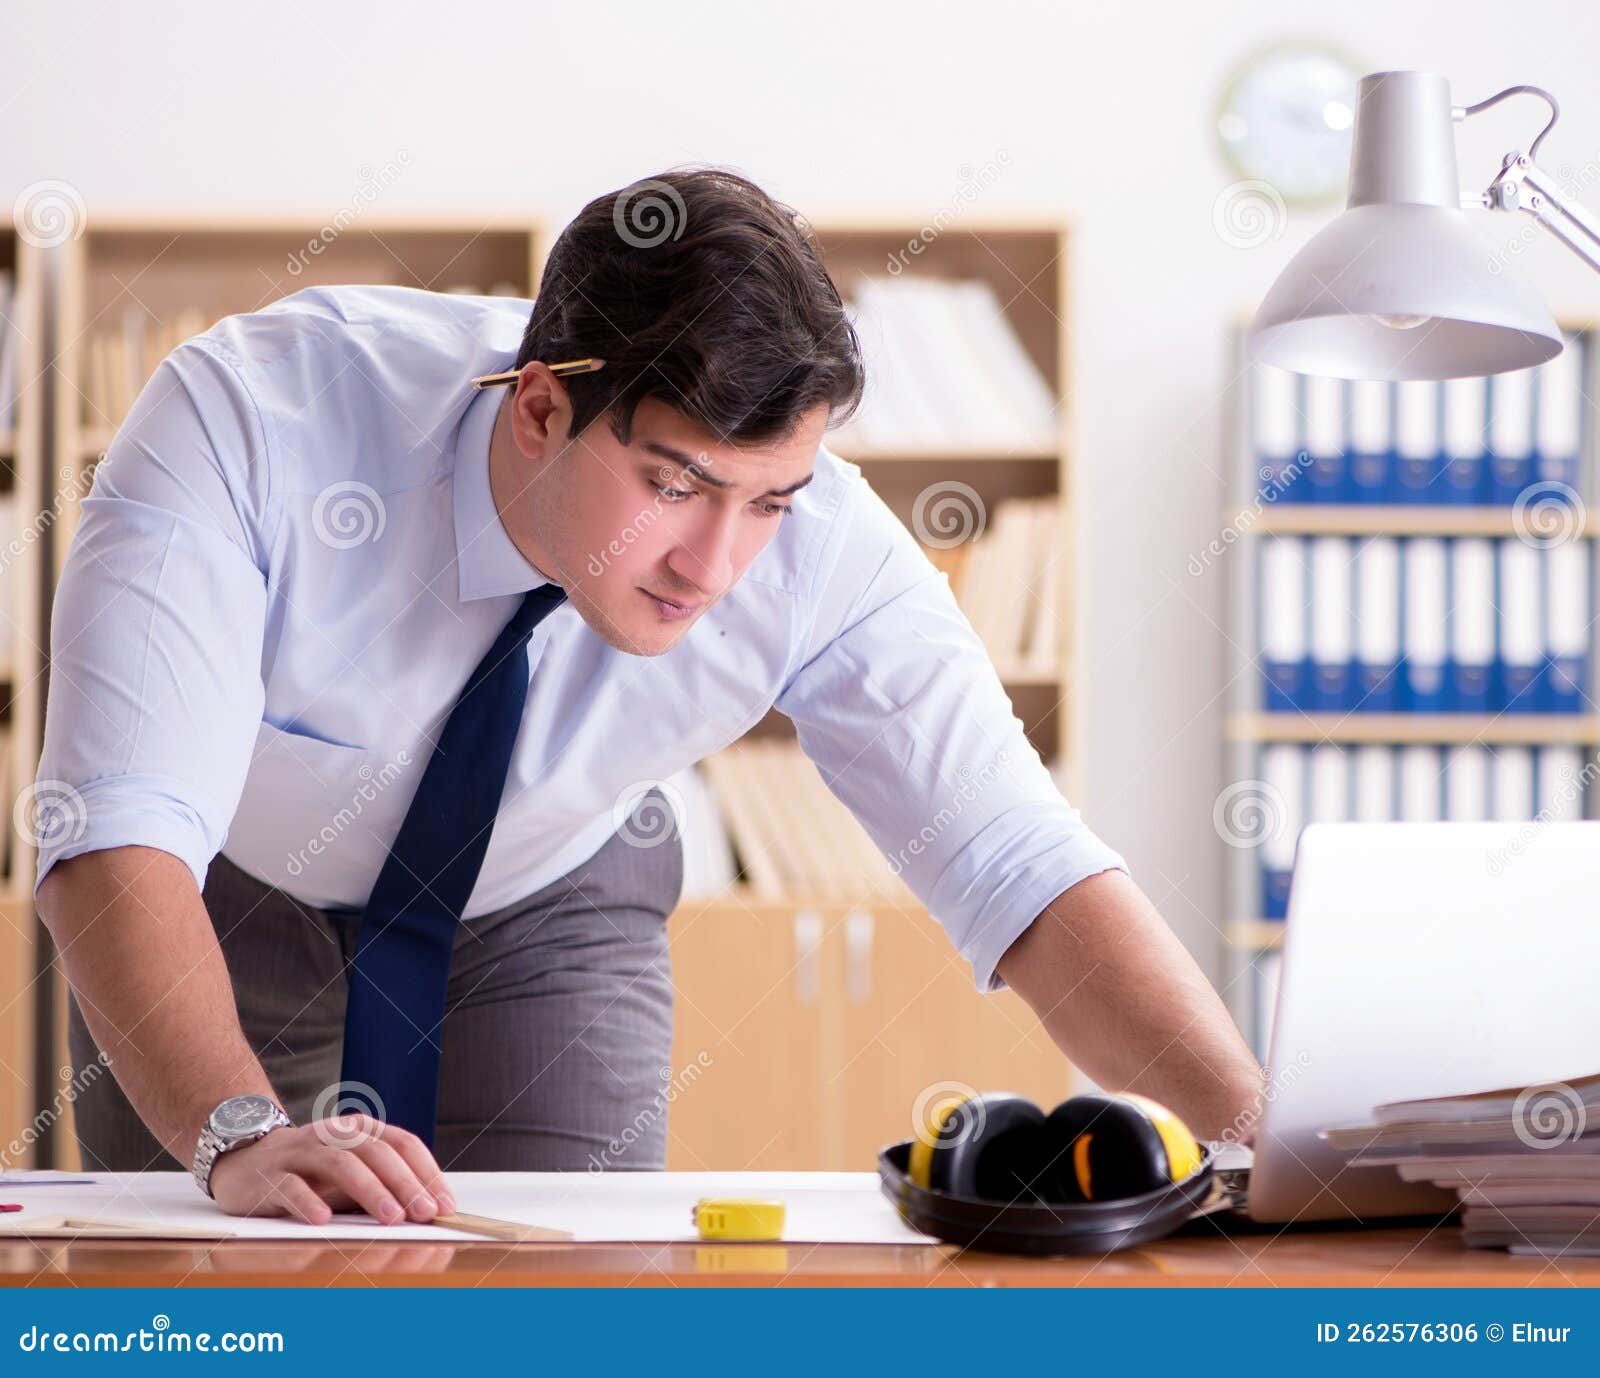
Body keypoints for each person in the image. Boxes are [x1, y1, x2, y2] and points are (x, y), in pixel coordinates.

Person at [33, 166, 1263, 1226]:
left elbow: (1022, 864)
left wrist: (1267, 1147)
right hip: (224, 899)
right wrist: (237, 1134)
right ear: (539, 406)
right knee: (230, 1269)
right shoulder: (250, 420)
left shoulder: (827, 546)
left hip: (548, 902)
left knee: (574, 1295)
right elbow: (116, 826)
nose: (716, 565)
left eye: (768, 499)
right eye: (673, 484)